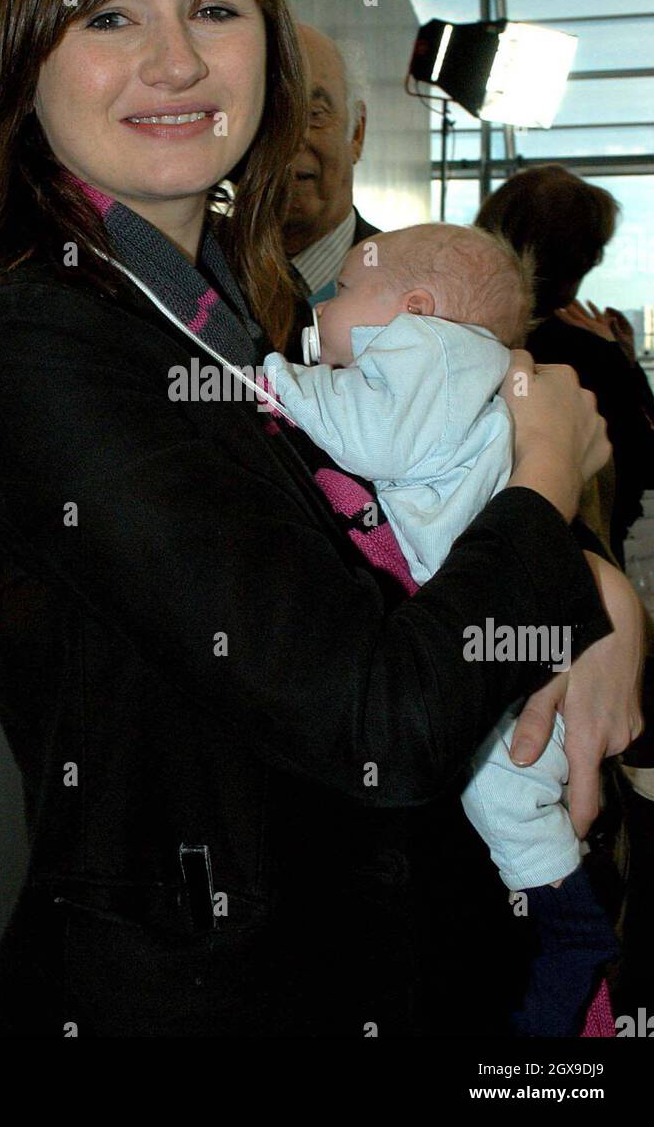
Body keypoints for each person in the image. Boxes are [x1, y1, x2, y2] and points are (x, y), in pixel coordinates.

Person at [0, 0, 643, 1038]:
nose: (178, 62)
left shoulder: (259, 316)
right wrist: (549, 481)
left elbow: (388, 557)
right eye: (111, 18)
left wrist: (597, 590)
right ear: (18, 56)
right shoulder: (38, 337)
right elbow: (370, 718)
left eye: (217, 7)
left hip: (374, 960)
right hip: (207, 998)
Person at [263, 222, 643, 1034]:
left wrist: (273, 382)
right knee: (513, 803)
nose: (321, 309)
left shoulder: (426, 352)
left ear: (415, 308)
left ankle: (569, 931)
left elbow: (372, 437)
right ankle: (568, 934)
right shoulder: (477, 369)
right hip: (495, 631)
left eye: (339, 297)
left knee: (507, 797)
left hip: (484, 652)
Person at [475, 166, 654, 567]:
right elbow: (643, 461)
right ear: (579, 260)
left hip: (467, 564)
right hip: (579, 571)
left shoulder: (453, 330)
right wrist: (624, 363)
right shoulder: (588, 354)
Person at [282, 24, 378, 309]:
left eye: (314, 115)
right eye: (266, 117)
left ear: (357, 132)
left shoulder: (417, 285)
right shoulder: (190, 279)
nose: (288, 142)